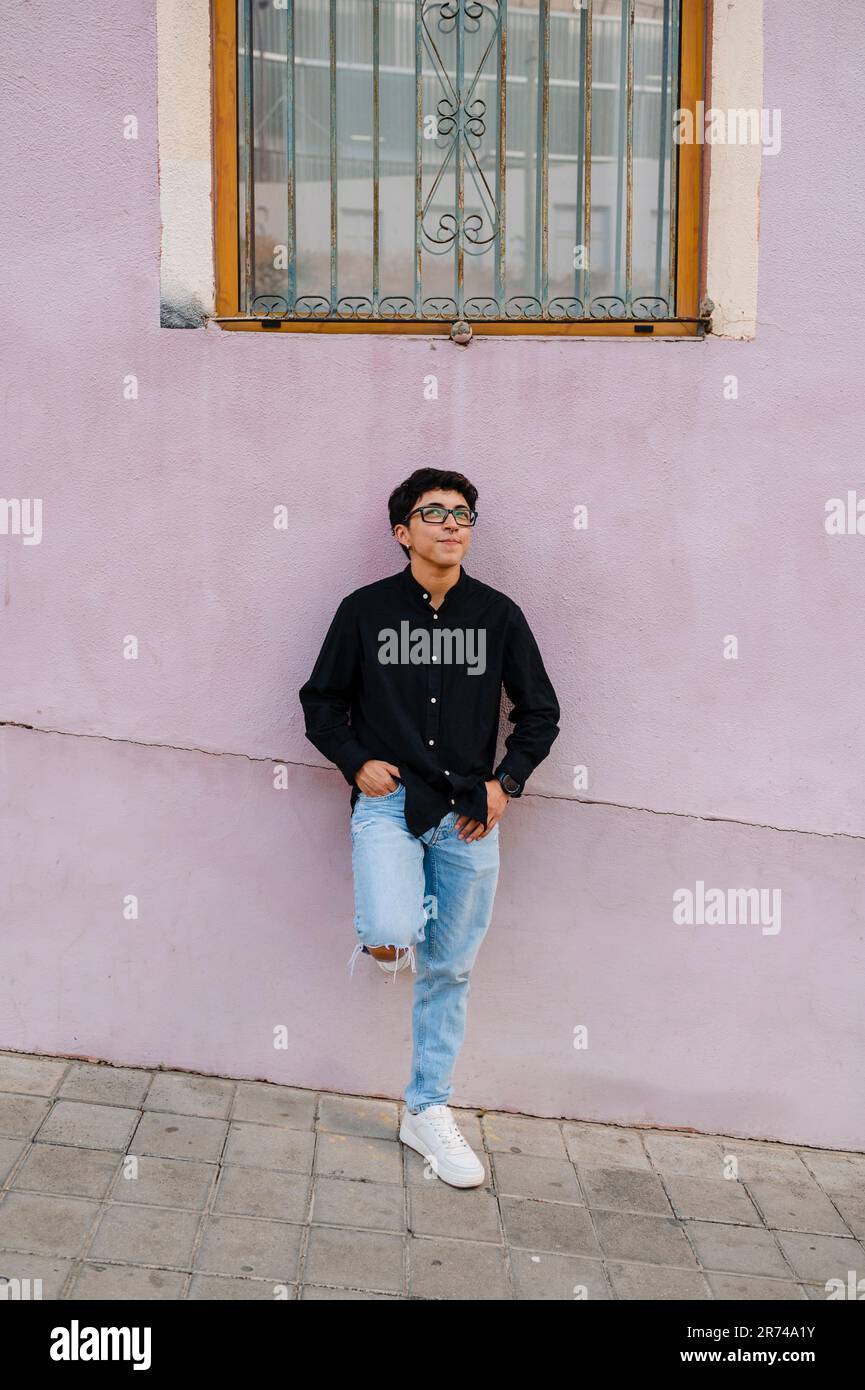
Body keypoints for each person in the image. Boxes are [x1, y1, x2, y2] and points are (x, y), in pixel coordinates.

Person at [298, 468, 560, 1187]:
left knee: (449, 969)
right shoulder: (363, 611)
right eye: (433, 512)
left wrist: (505, 783)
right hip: (389, 802)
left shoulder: (498, 616)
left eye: (463, 514)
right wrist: (356, 763)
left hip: (468, 817)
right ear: (401, 532)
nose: (451, 524)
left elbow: (540, 711)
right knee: (386, 926)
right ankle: (386, 944)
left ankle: (426, 1110)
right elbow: (321, 702)